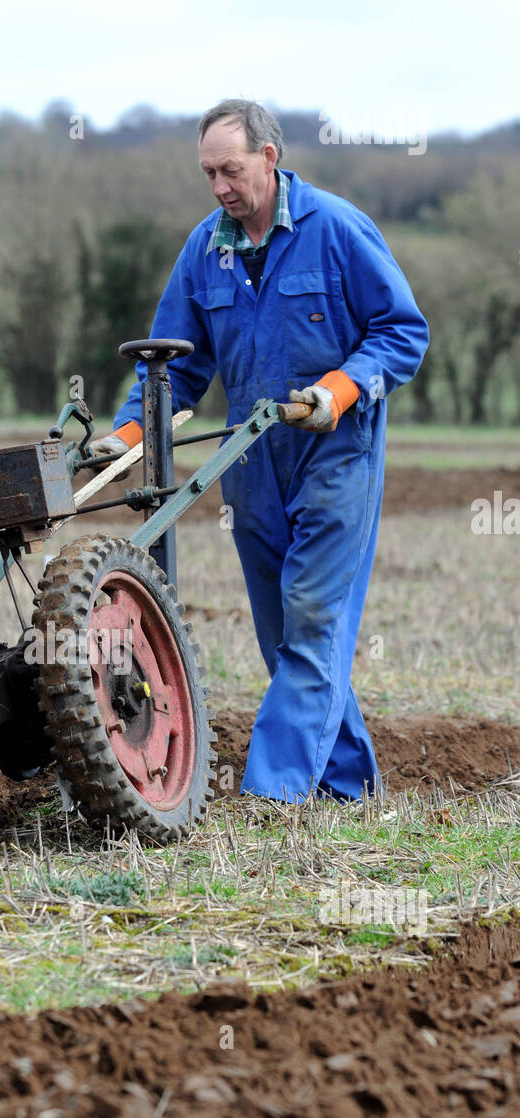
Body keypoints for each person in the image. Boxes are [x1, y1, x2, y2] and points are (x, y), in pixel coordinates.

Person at [92, 98, 429, 802]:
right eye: (208, 172)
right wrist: (125, 437)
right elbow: (173, 366)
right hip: (249, 465)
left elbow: (401, 332)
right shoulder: (204, 249)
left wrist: (337, 390)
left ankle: (272, 796)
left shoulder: (334, 229)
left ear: (268, 159)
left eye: (231, 169)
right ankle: (345, 786)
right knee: (283, 635)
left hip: (334, 454)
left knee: (311, 617)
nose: (219, 185)